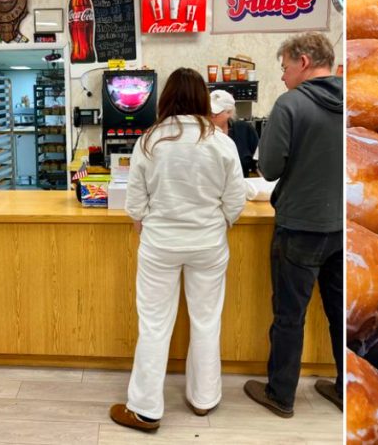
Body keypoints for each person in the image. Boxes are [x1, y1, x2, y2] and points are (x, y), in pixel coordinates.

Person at [110, 68, 248, 432]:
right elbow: (236, 200)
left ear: (165, 98)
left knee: (154, 325)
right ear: (203, 100)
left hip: (160, 245)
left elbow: (135, 204)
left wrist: (146, 226)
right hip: (208, 244)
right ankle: (204, 400)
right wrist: (218, 225)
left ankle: (145, 408)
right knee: (206, 320)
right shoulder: (221, 142)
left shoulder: (150, 141)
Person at [244, 32, 343, 417]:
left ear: (303, 62)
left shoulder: (290, 105)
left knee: (289, 315)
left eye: (285, 68)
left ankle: (281, 395)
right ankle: (345, 389)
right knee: (339, 314)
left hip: (300, 227)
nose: (283, 77)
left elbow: (269, 167)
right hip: (341, 227)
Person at [210, 89, 259, 176]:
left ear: (229, 112)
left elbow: (259, 164)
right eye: (208, 111)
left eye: (215, 112)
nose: (211, 116)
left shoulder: (244, 130)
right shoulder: (203, 134)